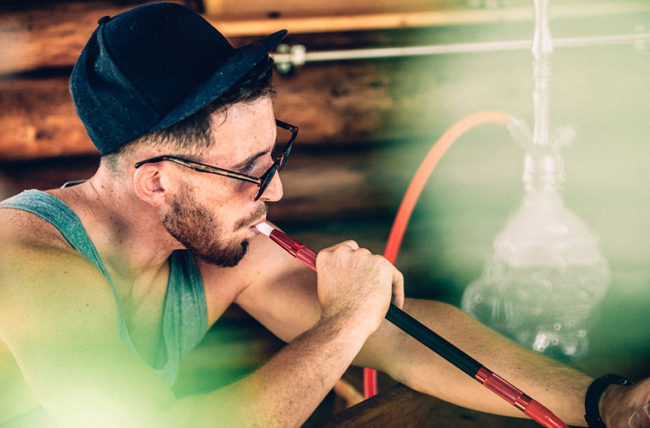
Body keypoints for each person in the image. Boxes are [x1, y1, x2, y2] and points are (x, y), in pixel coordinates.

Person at [0, 3, 647, 427]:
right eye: (250, 172)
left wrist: (604, 403)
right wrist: (342, 322)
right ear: (157, 183)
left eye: (273, 155)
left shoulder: (214, 246)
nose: (274, 193)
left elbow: (397, 334)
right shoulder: (27, 263)